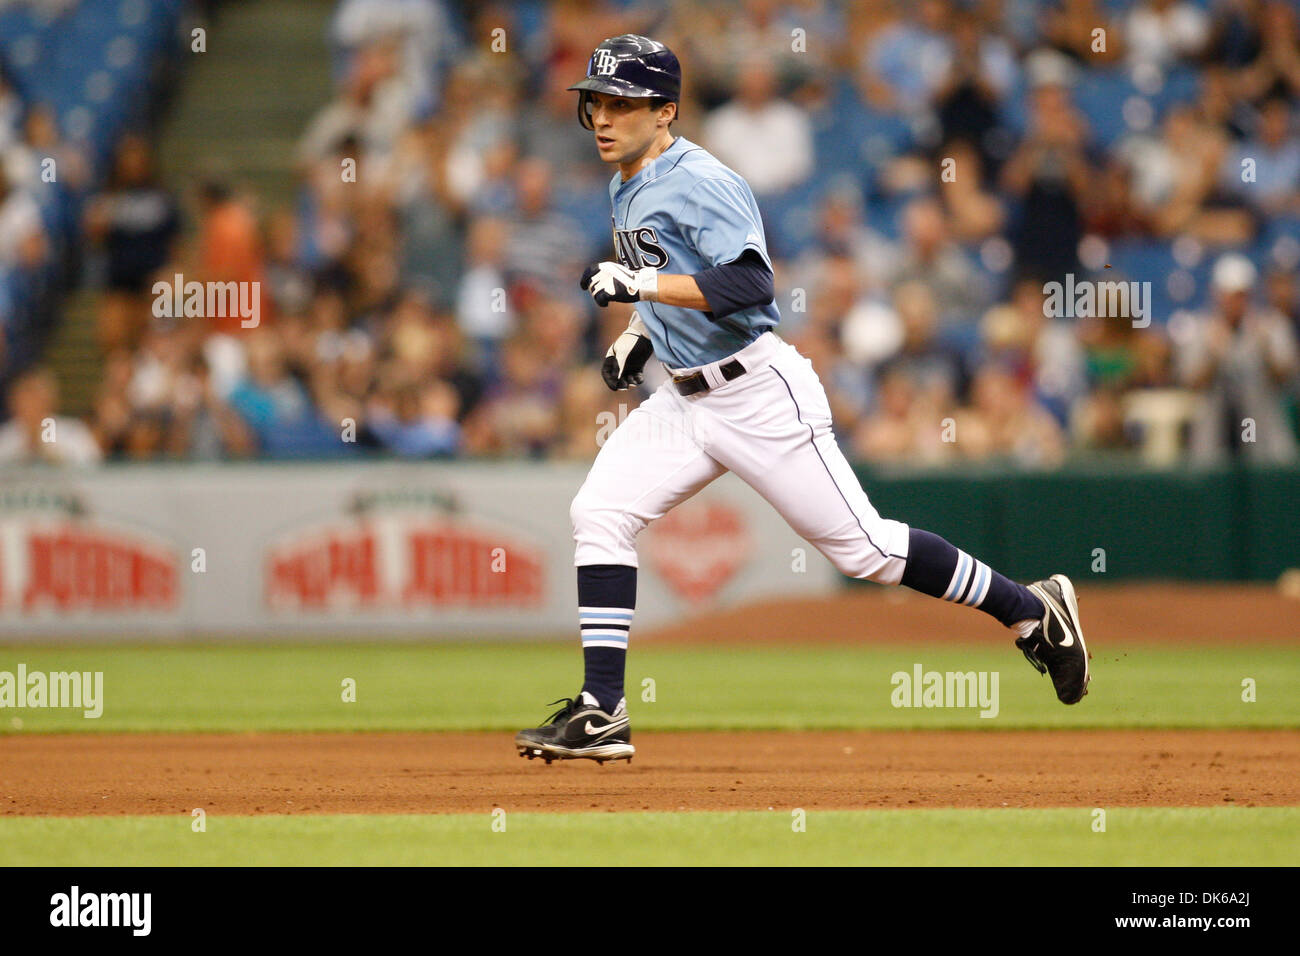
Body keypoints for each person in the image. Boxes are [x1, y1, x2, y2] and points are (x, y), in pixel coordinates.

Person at [516, 36, 1090, 765]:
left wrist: (642, 291)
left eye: (622, 103)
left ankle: (1031, 610)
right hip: (684, 399)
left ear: (666, 111)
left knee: (867, 550)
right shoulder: (626, 178)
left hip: (756, 392)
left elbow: (753, 287)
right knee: (598, 512)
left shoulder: (702, 179)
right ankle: (603, 711)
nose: (603, 116)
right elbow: (675, 272)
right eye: (595, 101)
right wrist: (641, 331)